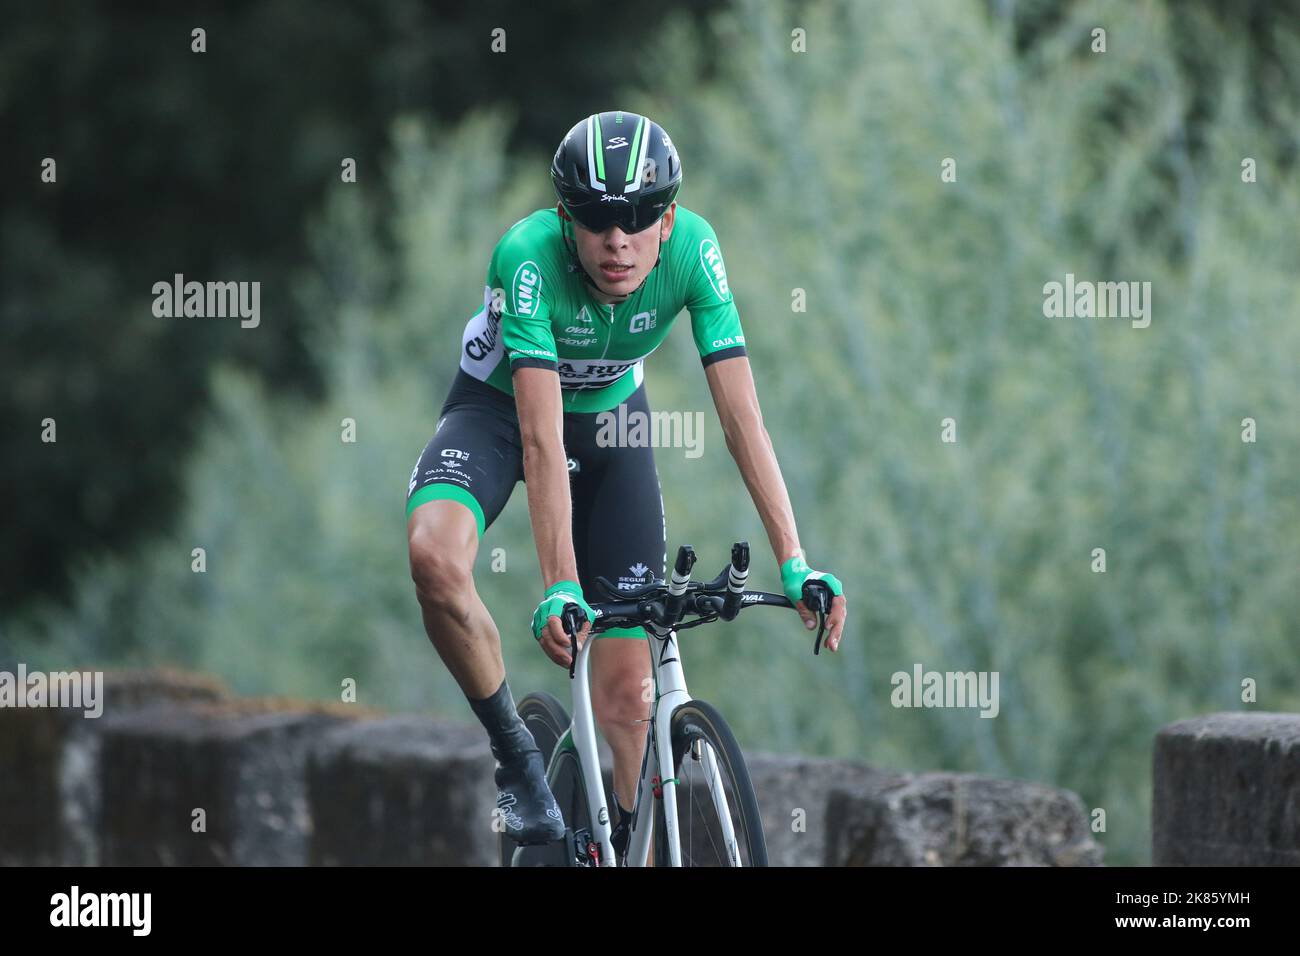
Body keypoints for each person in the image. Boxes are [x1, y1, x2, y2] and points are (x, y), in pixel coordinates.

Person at [405, 110, 847, 849]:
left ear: (669, 220)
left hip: (613, 428)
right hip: (500, 412)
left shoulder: (696, 252)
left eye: (640, 218)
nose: (618, 240)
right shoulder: (527, 256)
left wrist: (796, 560)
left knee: (628, 698)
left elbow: (743, 421)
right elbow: (542, 441)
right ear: (563, 217)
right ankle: (516, 755)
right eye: (598, 220)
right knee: (435, 560)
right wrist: (559, 584)